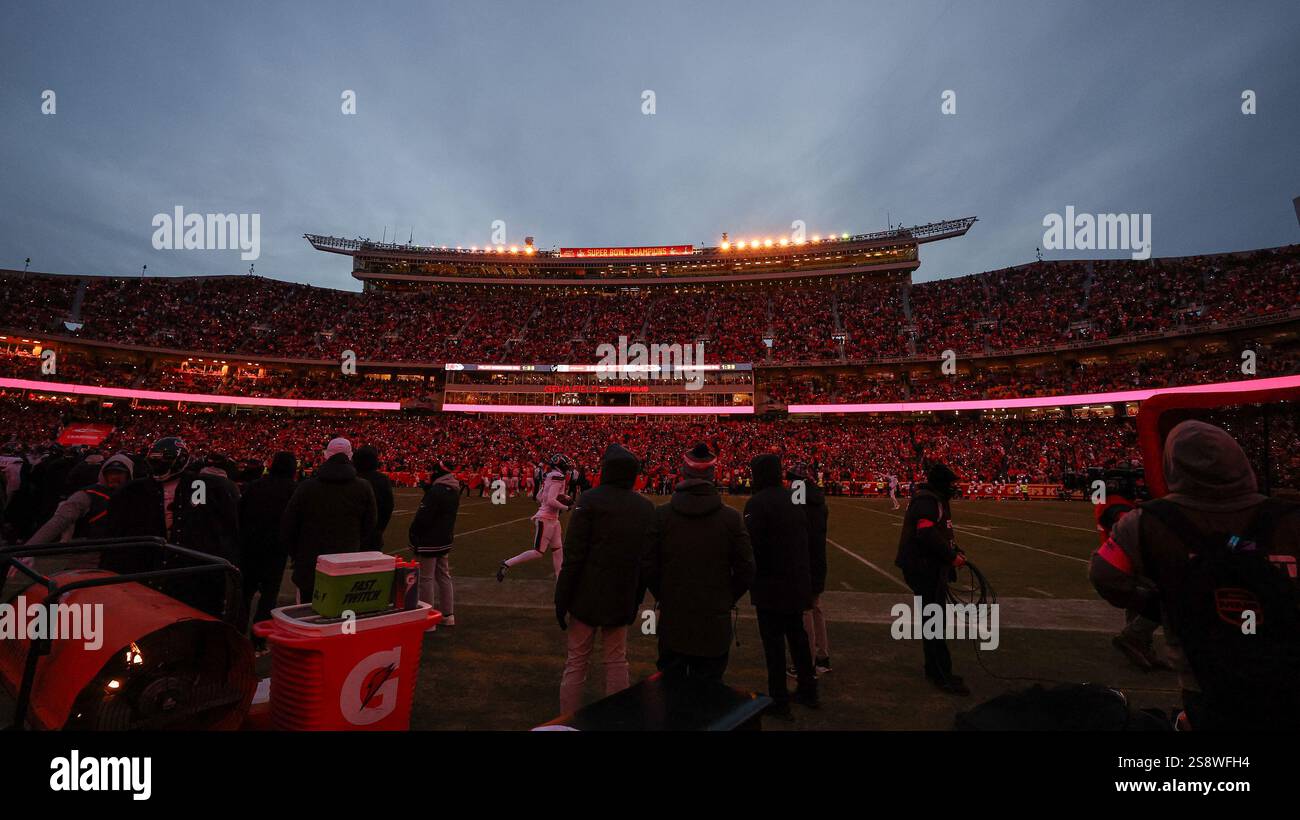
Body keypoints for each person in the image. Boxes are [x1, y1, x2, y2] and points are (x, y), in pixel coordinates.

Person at [1089, 420, 1300, 730]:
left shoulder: (1149, 520)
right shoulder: (1290, 518)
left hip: (1203, 675)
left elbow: (1106, 576)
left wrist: (1160, 602)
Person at [554, 443, 656, 714]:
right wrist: (634, 600)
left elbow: (573, 556)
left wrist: (561, 599)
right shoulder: (645, 508)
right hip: (621, 594)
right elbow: (646, 564)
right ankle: (616, 721)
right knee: (616, 661)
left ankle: (568, 720)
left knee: (576, 662)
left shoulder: (589, 500)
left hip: (585, 596)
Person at [645, 443, 755, 681]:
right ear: (712, 475)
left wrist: (665, 595)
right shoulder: (730, 518)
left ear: (684, 473)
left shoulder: (662, 515)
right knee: (708, 702)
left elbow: (648, 566)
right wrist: (725, 598)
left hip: (673, 619)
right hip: (713, 623)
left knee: (669, 694)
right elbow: (747, 569)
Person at [746, 453, 817, 715]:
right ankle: (809, 691)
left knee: (774, 646)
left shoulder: (757, 503)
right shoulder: (794, 501)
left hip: (771, 586)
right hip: (796, 582)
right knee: (797, 639)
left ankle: (779, 700)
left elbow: (754, 548)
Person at [895, 462, 969, 695]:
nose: (953, 487)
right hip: (924, 568)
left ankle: (935, 668)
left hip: (926, 566)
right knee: (934, 619)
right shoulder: (928, 501)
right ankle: (940, 672)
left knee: (933, 618)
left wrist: (955, 550)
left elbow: (940, 532)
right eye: (950, 483)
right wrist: (950, 556)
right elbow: (926, 532)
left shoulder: (931, 498)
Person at [280, 437, 378, 602]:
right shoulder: (362, 487)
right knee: (341, 611)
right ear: (350, 457)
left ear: (326, 456)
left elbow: (289, 524)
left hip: (310, 559)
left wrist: (297, 553)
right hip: (345, 558)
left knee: (307, 613)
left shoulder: (307, 487)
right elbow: (370, 524)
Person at [238, 452, 298, 640]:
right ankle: (258, 638)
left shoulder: (255, 486)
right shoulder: (293, 489)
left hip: (250, 544)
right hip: (276, 548)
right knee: (268, 595)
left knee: (245, 592)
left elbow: (240, 512)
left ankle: (237, 632)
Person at [496, 453, 573, 581]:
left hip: (553, 519)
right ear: (560, 465)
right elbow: (550, 501)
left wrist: (562, 498)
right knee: (538, 552)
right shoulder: (558, 476)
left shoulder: (550, 475)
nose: (567, 467)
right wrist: (566, 507)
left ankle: (560, 579)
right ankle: (507, 563)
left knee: (558, 549)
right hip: (546, 519)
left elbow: (539, 497)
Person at [26, 453, 133, 543]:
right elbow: (60, 521)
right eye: (111, 472)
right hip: (90, 554)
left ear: (128, 475)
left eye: (119, 473)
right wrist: (29, 548)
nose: (114, 476)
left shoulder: (133, 494)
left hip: (122, 552)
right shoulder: (88, 494)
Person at [789, 461, 831, 675]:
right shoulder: (819, 501)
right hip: (818, 560)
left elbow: (795, 530)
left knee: (805, 609)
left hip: (804, 560)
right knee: (815, 606)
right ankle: (823, 656)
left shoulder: (800, 500)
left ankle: (807, 662)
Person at [409, 457, 461, 629]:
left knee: (426, 579)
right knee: (444, 576)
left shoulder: (436, 491)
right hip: (444, 536)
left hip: (430, 538)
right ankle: (448, 614)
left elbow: (424, 516)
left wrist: (414, 533)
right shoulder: (453, 489)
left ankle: (428, 619)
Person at [353, 445, 394, 551]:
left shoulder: (352, 478)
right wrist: (379, 530)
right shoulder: (382, 480)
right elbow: (388, 508)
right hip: (373, 534)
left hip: (351, 534)